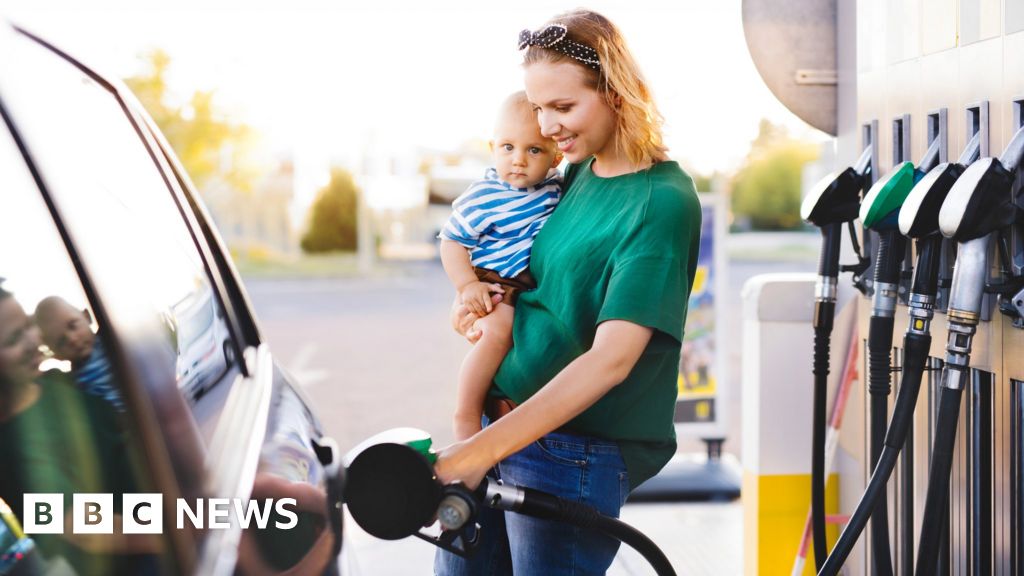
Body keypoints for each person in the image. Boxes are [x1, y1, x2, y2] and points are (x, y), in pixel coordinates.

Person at [433, 10, 702, 575]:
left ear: (617, 92)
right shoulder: (577, 173)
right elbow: (539, 279)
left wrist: (478, 452)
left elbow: (611, 361)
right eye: (538, 107)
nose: (547, 126)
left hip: (571, 452)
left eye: (563, 107)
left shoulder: (660, 203)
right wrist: (478, 295)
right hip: (500, 430)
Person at [0, 285, 157, 574]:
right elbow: (88, 531)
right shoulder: (10, 452)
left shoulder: (57, 381)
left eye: (27, 327)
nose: (34, 341)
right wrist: (184, 528)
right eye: (13, 339)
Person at [438, 90, 563, 442]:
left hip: (523, 285)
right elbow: (452, 241)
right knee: (497, 332)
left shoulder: (555, 187)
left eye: (533, 150)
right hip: (494, 282)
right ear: (493, 147)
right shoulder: (485, 195)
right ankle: (466, 413)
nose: (518, 160)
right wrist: (466, 287)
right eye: (508, 147)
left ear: (555, 158)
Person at [34, 295, 124, 412]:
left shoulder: (113, 342)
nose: (72, 339)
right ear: (56, 354)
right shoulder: (69, 386)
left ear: (87, 317)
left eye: (73, 326)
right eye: (61, 341)